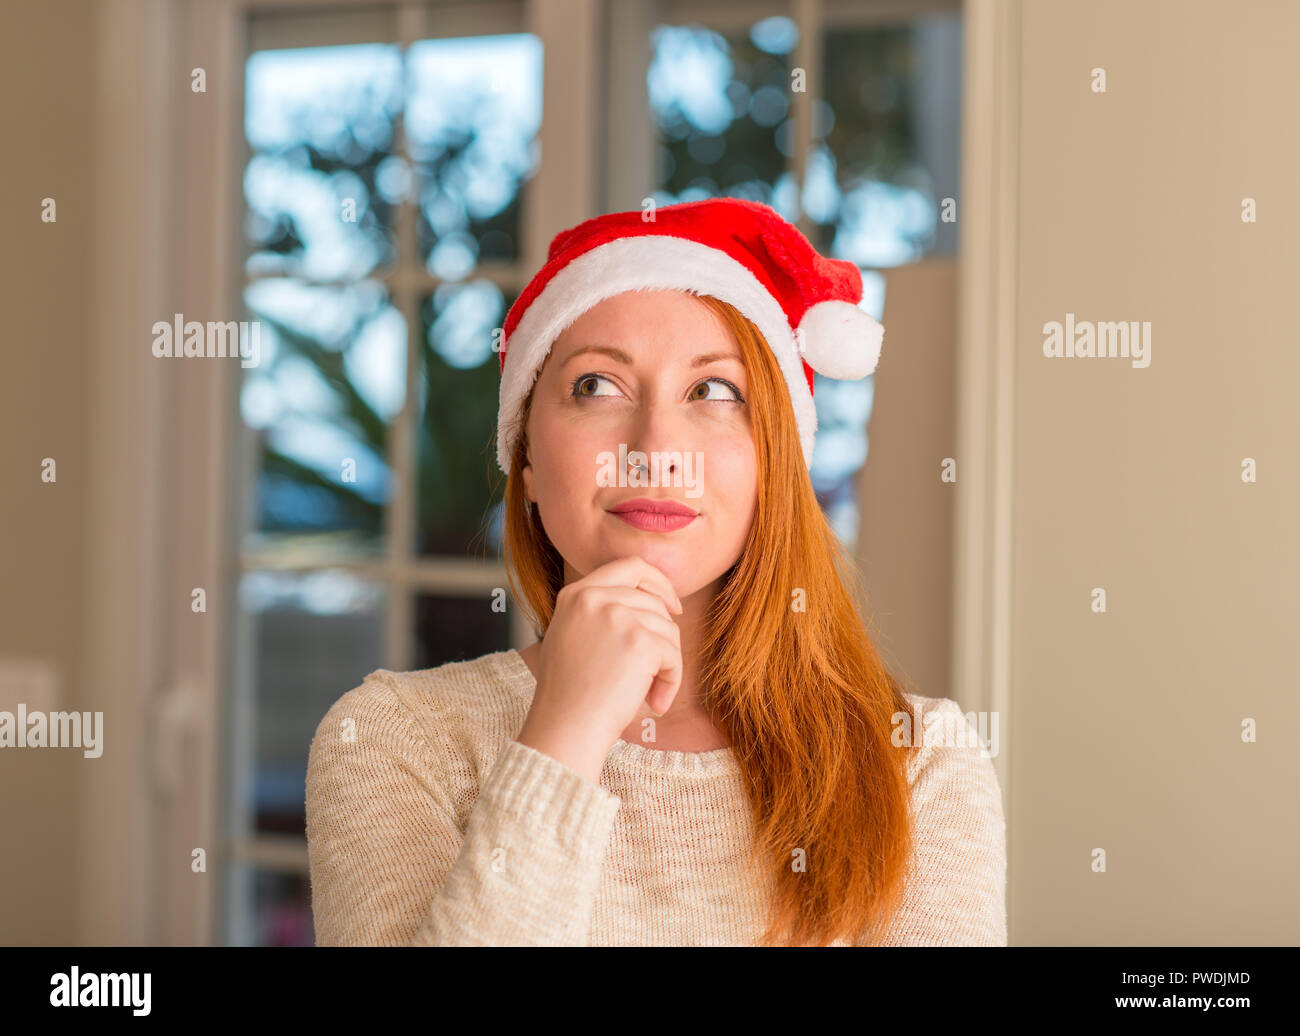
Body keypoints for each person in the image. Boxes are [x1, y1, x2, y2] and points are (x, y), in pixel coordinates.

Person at [305, 198, 1007, 946]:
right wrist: (563, 736)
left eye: (713, 392)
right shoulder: (392, 740)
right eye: (596, 386)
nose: (655, 447)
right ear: (529, 460)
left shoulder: (919, 762)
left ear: (774, 461)